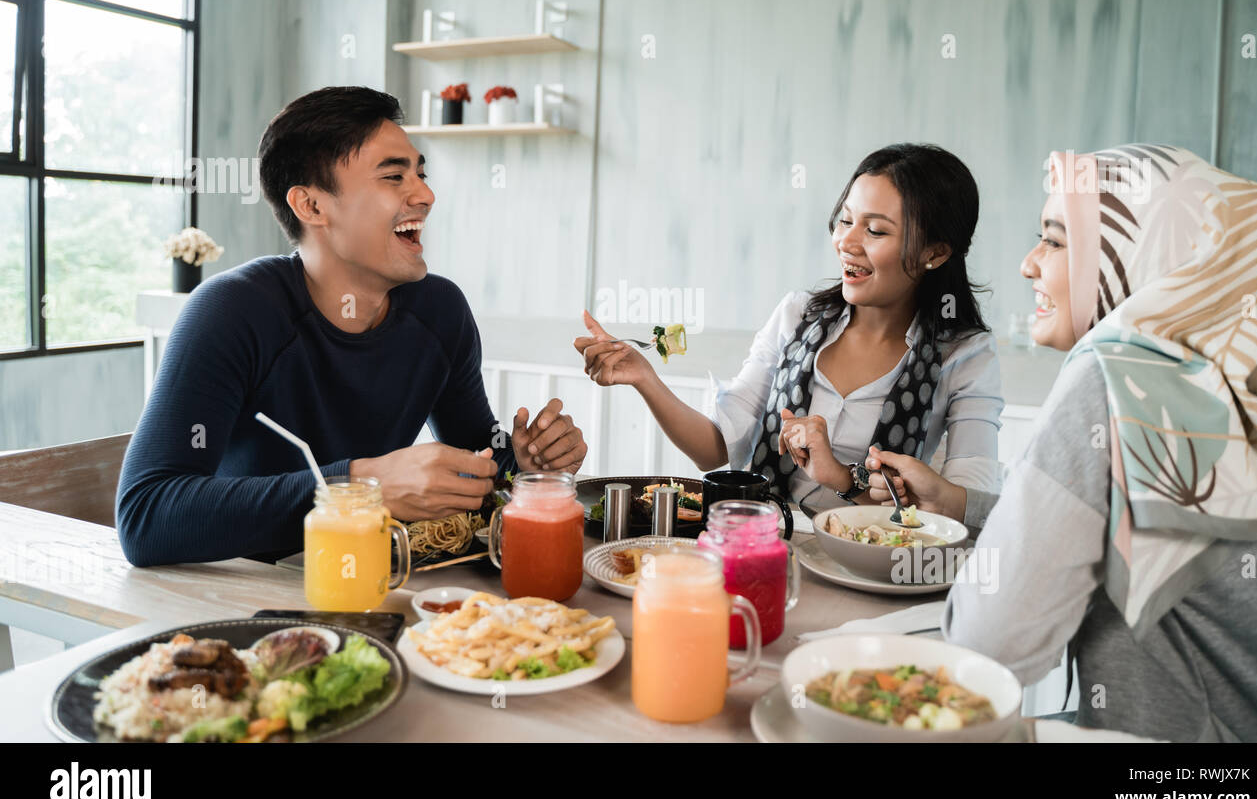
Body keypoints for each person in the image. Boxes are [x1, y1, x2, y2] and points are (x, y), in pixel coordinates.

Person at [871, 144, 1257, 741]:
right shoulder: (1256, 395)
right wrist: (962, 504)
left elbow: (986, 649)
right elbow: (1138, 526)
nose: (1028, 263)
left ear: (1138, 251)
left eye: (1055, 239)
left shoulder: (1121, 377)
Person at [116, 86, 587, 566]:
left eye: (420, 174)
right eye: (393, 176)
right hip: (250, 591)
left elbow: (481, 455)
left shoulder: (440, 310)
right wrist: (362, 486)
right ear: (312, 207)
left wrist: (526, 466)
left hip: (374, 579)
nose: (425, 195)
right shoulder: (231, 310)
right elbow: (146, 516)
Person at [575, 143, 1003, 516]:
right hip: (770, 543)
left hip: (876, 566)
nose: (847, 242)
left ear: (936, 251)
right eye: (845, 220)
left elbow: (968, 502)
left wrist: (841, 477)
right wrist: (644, 377)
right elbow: (716, 447)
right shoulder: (797, 315)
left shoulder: (964, 354)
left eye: (875, 230)